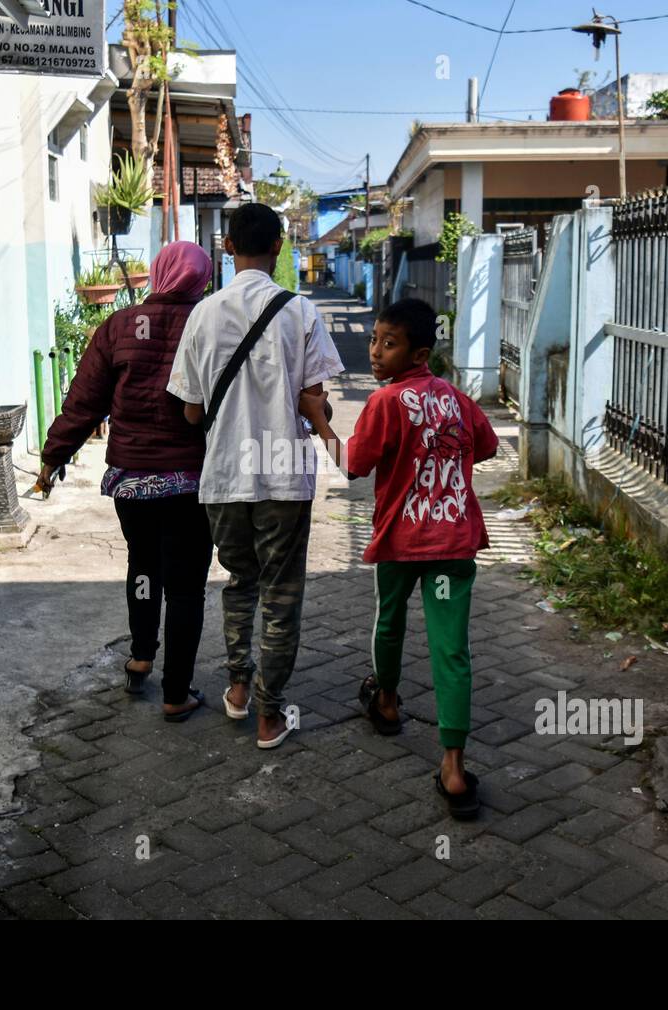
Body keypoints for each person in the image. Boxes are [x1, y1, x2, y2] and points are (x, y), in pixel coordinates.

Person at [299, 298, 499, 818]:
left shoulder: (387, 404)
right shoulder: (456, 398)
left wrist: (321, 421)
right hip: (454, 541)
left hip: (402, 541)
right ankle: (453, 766)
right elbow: (489, 445)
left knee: (390, 622)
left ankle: (386, 701)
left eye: (389, 343)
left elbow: (353, 465)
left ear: (421, 352)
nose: (376, 352)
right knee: (451, 650)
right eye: (374, 340)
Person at [167, 204, 343, 749]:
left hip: (224, 472)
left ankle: (238, 688)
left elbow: (191, 411)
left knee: (240, 584)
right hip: (283, 473)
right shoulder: (300, 311)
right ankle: (271, 715)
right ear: (280, 246)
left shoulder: (203, 314)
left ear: (227, 246)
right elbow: (318, 403)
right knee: (282, 592)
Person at [38, 242, 215, 722]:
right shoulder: (210, 324)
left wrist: (53, 456)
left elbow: (84, 402)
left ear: (158, 273)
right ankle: (177, 692)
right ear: (200, 280)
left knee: (143, 566)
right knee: (185, 587)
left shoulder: (117, 326)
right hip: (190, 480)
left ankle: (140, 655)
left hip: (131, 479)